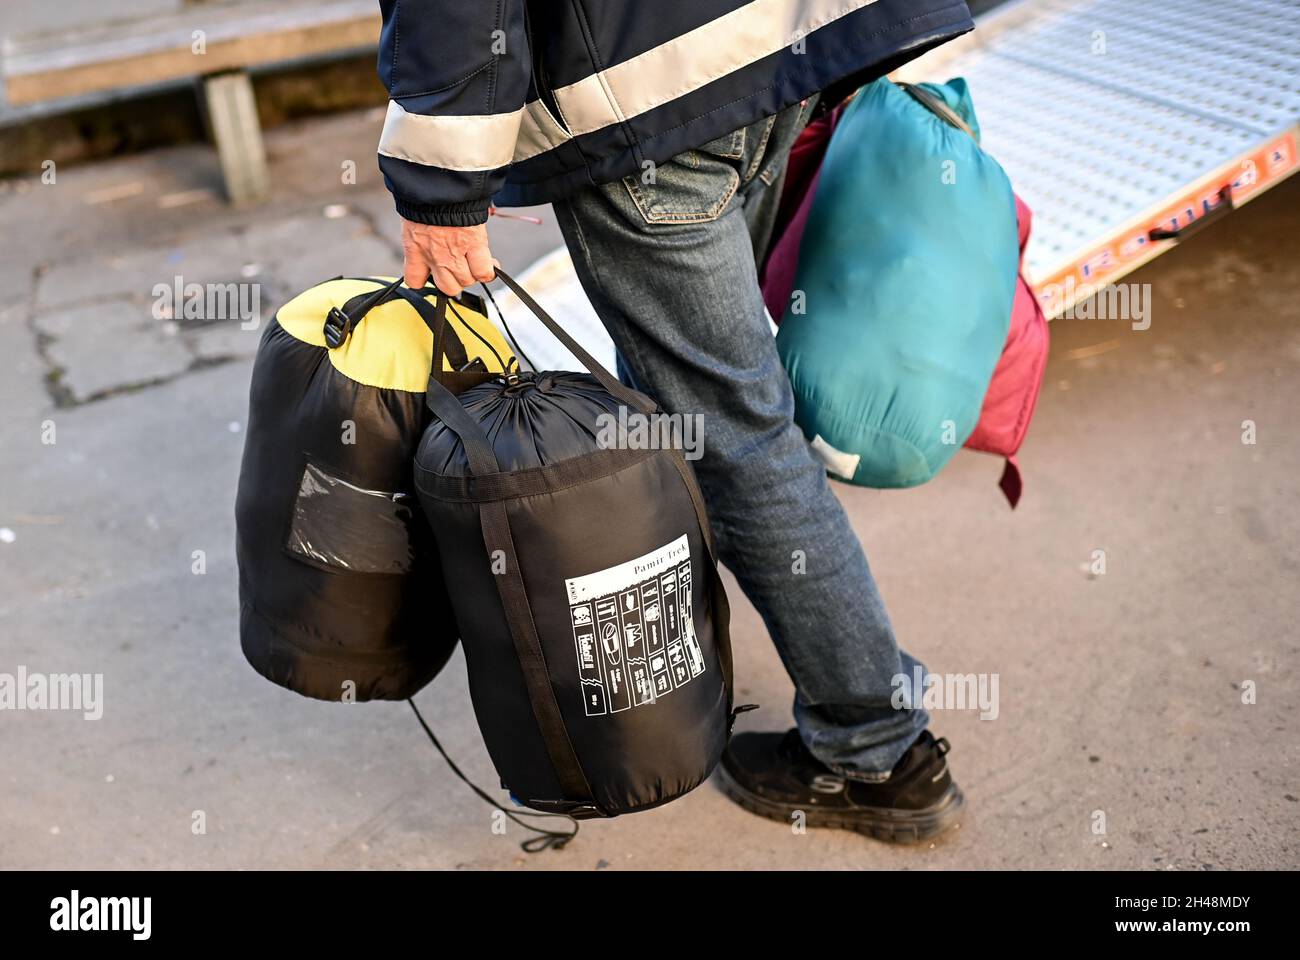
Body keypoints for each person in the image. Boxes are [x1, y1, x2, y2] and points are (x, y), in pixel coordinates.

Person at [376, 0, 972, 842]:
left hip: (645, 98)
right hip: (767, 42)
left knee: (735, 440)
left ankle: (879, 753)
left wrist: (440, 187)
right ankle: (681, 680)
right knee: (701, 410)